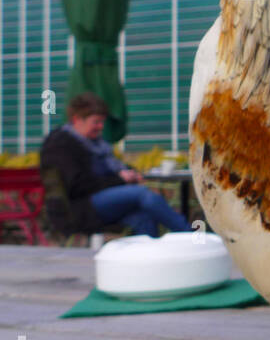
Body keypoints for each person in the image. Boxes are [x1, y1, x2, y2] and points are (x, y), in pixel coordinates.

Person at [39, 92, 190, 238]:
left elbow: (112, 169)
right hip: (77, 210)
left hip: (97, 202)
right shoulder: (60, 145)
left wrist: (129, 173)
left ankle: (148, 261)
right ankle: (191, 236)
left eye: (102, 122)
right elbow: (78, 186)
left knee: (143, 217)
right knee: (143, 194)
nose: (101, 126)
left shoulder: (94, 144)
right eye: (96, 122)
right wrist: (121, 179)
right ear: (77, 119)